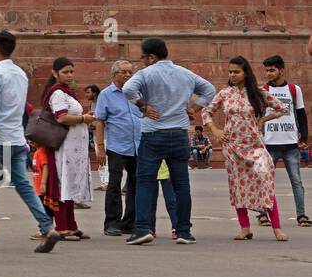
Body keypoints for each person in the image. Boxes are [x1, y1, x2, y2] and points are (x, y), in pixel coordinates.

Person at [0, 30, 63, 254]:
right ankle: (47, 227)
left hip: (0, 140)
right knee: (23, 185)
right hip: (17, 138)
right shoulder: (21, 74)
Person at [121, 37, 216, 245]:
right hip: (179, 133)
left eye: (143, 57)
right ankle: (183, 231)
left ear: (152, 57)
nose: (142, 61)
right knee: (181, 184)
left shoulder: (146, 73)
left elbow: (128, 89)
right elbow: (209, 89)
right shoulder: (185, 73)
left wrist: (143, 106)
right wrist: (194, 108)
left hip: (153, 134)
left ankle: (143, 228)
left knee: (145, 182)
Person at [201, 56, 287, 242]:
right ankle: (245, 227)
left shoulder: (258, 93)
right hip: (233, 147)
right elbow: (206, 111)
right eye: (230, 71)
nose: (232, 75)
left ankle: (277, 228)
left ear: (245, 72)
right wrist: (215, 130)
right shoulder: (224, 94)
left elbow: (282, 108)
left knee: (265, 183)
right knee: (237, 186)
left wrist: (263, 119)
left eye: (236, 71)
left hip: (255, 146)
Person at [40, 57, 94, 240]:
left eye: (71, 71)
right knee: (64, 184)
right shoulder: (57, 93)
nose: (69, 75)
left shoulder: (66, 92)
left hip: (74, 146)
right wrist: (83, 119)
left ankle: (71, 225)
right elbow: (61, 117)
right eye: (65, 72)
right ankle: (62, 226)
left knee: (70, 184)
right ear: (54, 73)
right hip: (64, 145)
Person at [94, 60, 143, 236]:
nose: (128, 75)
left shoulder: (137, 94)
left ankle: (130, 222)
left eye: (130, 72)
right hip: (117, 146)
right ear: (114, 75)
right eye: (124, 72)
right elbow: (99, 122)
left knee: (135, 185)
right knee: (114, 185)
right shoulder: (106, 95)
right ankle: (112, 223)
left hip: (138, 145)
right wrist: (100, 147)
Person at [260, 55, 309, 226]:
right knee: (264, 180)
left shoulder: (294, 89)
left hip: (290, 144)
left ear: (281, 70)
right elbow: (257, 115)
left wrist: (305, 136)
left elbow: (301, 114)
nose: (268, 73)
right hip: (269, 144)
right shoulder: (263, 90)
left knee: (296, 181)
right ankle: (262, 213)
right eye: (266, 70)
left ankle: (301, 215)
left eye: (271, 70)